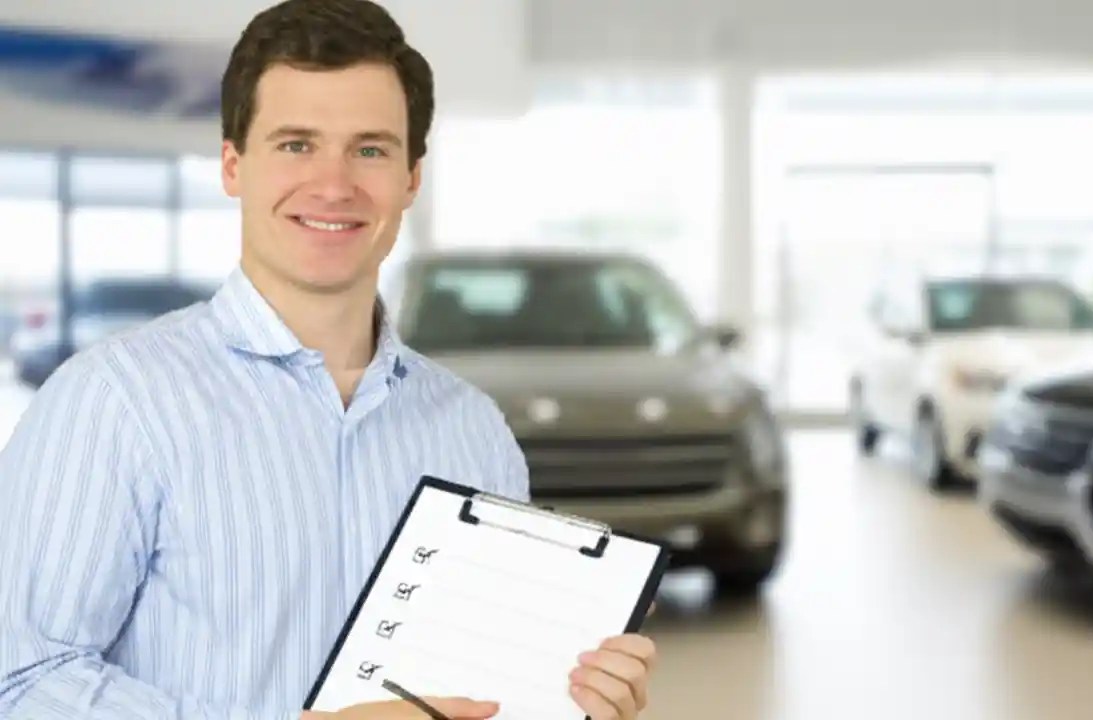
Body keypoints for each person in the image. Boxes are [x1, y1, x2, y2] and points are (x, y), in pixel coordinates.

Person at [0, 1, 657, 718]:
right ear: (232, 165)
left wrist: (570, 698)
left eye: (369, 149)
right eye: (296, 144)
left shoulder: (474, 431)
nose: (334, 184)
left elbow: (483, 690)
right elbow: (23, 677)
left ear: (411, 178)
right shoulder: (113, 402)